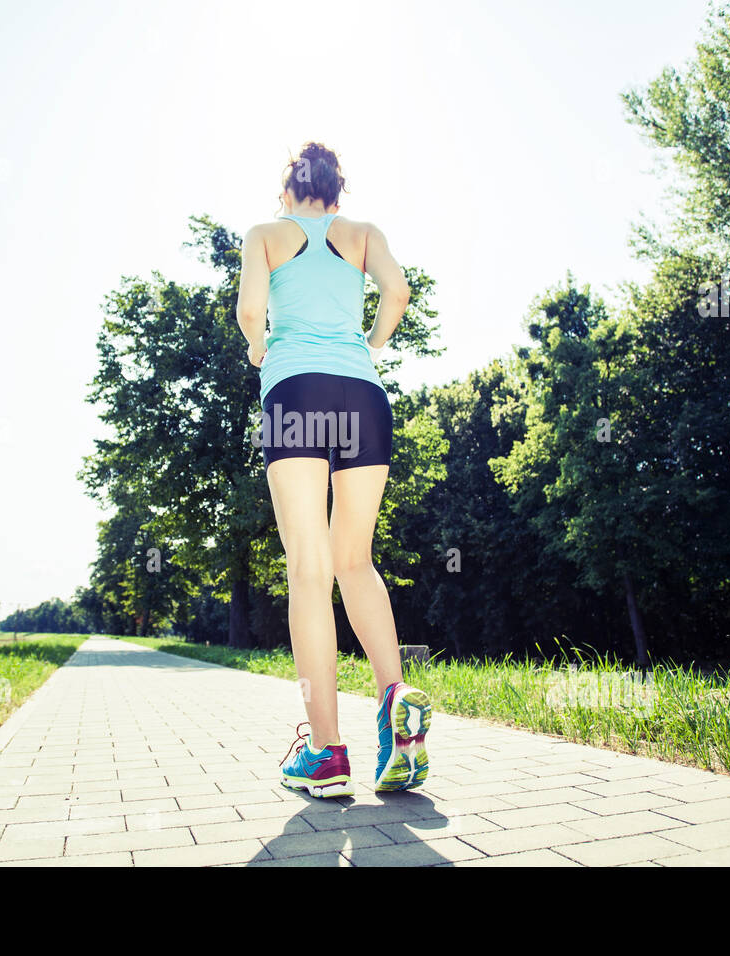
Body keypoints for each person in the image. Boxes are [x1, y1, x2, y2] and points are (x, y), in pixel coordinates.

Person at [234, 141, 432, 799]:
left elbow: (250, 312)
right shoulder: (362, 232)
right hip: (363, 397)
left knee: (310, 571)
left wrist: (262, 349)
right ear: (335, 194)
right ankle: (395, 699)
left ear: (289, 191)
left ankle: (325, 752)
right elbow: (399, 292)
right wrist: (373, 342)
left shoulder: (266, 234)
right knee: (356, 562)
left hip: (298, 392)